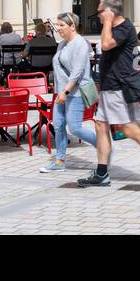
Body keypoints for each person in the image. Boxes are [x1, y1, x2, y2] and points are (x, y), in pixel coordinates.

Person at [78, 0, 140, 188]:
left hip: (119, 87)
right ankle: (102, 173)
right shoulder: (116, 28)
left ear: (110, 12)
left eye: (100, 12)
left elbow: (105, 45)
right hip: (109, 87)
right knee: (101, 126)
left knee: (128, 128)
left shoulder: (123, 28)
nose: (98, 16)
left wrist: (108, 22)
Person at [40, 12, 97, 173]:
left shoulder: (80, 44)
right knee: (58, 125)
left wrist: (65, 91)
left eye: (61, 25)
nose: (57, 28)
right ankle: (59, 161)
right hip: (60, 92)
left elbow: (77, 72)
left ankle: (101, 144)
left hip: (74, 93)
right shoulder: (62, 44)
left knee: (75, 128)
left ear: (72, 26)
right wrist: (58, 90)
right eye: (57, 25)